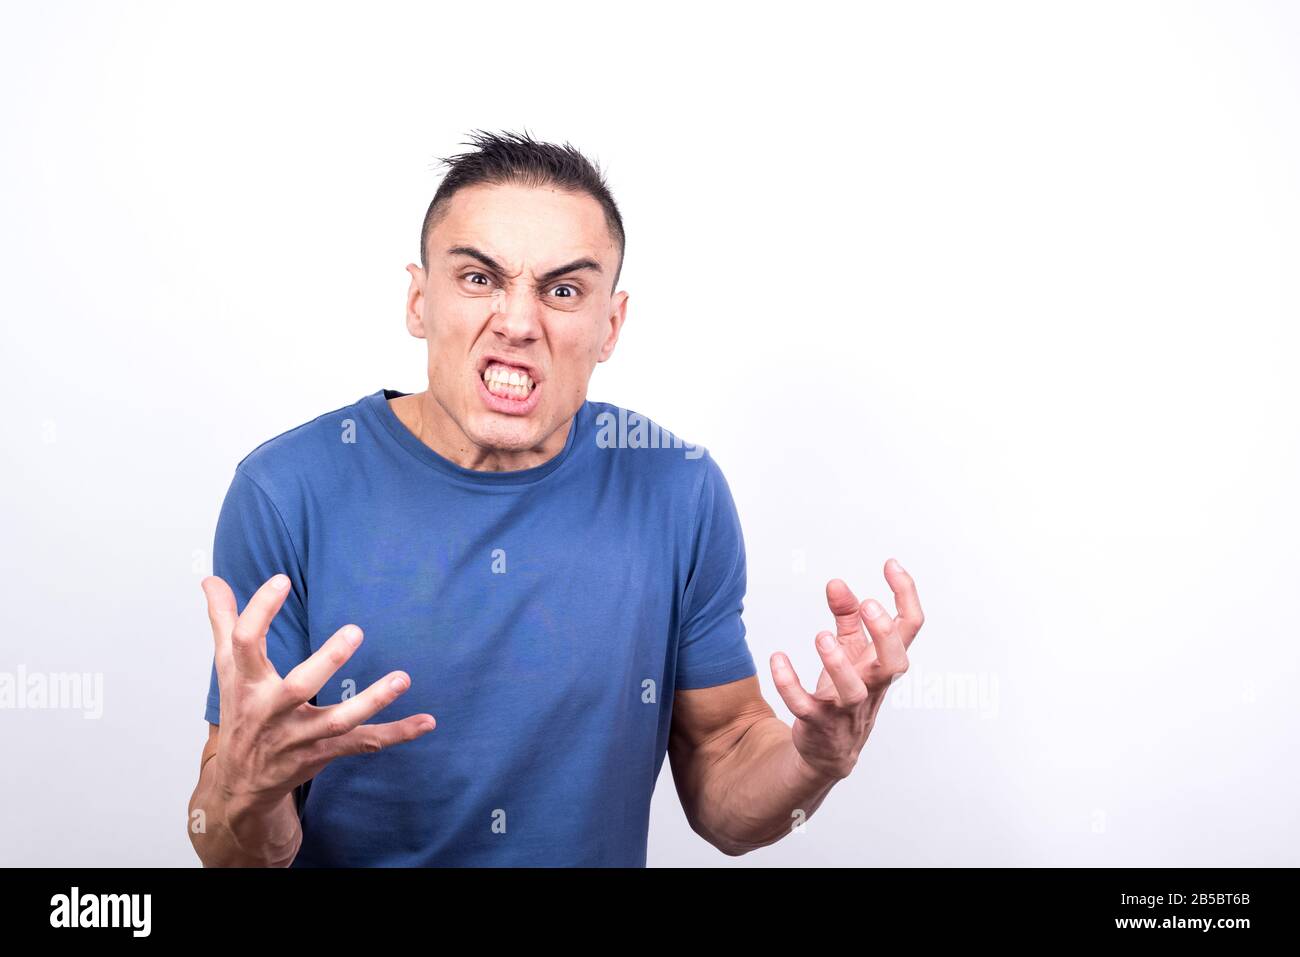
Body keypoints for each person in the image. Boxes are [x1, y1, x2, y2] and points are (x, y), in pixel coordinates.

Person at [187, 129, 925, 866]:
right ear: (418, 301)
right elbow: (227, 849)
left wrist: (811, 762)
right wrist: (248, 791)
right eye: (479, 278)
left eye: (563, 290)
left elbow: (726, 775)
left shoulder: (678, 488)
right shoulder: (286, 491)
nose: (517, 322)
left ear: (611, 325)